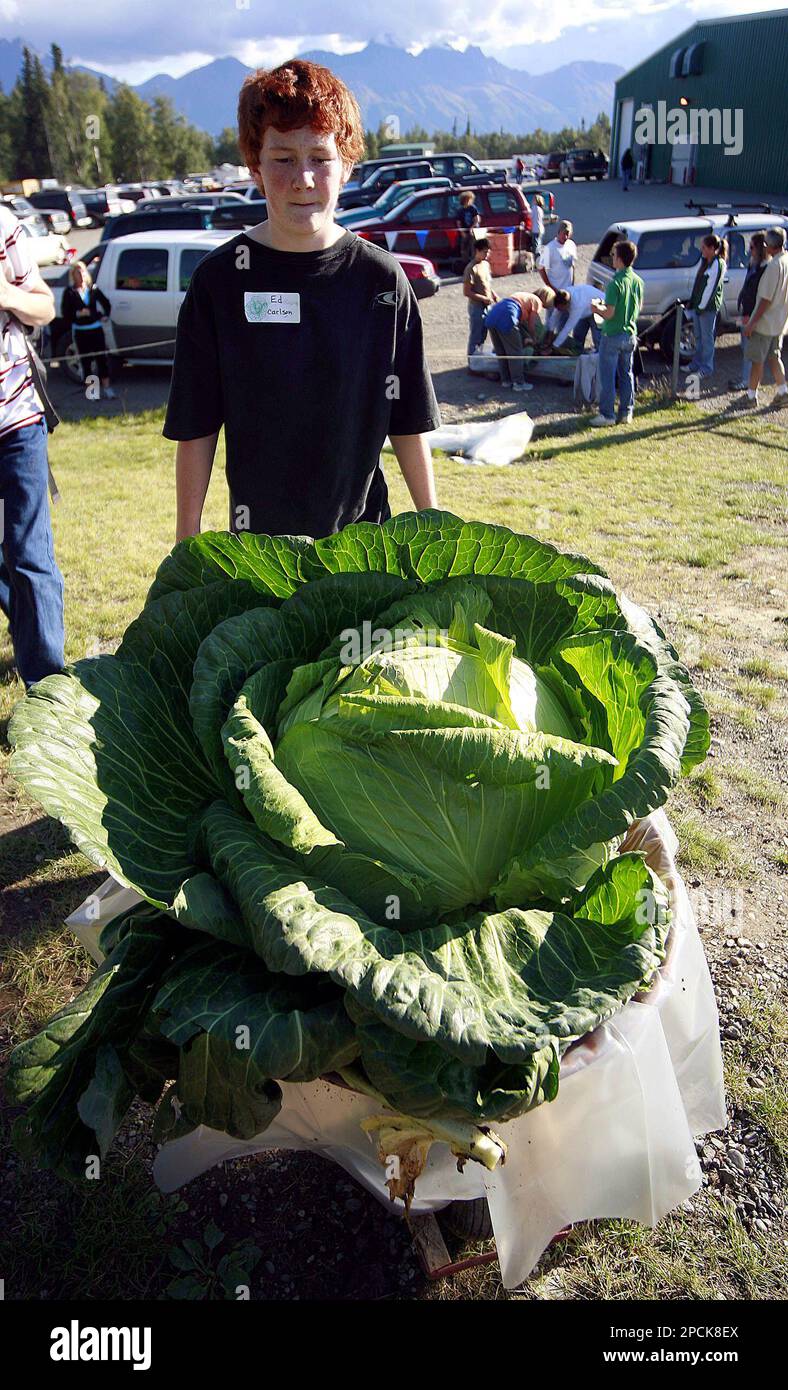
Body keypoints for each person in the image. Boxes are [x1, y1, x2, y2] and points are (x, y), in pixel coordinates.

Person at [163, 58, 441, 542]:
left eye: (320, 157)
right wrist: (187, 541)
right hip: (258, 556)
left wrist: (435, 527)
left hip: (364, 552)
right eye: (283, 158)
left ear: (347, 165)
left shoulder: (381, 280)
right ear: (255, 166)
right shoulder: (220, 283)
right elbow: (197, 424)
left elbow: (410, 418)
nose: (303, 178)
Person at [0, 202, 64, 686]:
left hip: (17, 418)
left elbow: (44, 306)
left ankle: (46, 688)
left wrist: (5, 293)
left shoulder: (3, 225)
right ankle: (28, 629)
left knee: (28, 552)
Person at [589, 238, 643, 427]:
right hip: (630, 333)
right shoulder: (637, 281)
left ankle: (607, 415)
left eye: (613, 255)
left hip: (612, 334)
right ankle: (626, 411)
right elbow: (637, 306)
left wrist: (597, 309)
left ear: (619, 259)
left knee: (607, 376)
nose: (612, 258)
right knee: (626, 374)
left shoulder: (615, 283)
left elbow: (609, 313)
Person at [741, 225, 788, 409]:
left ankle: (751, 396)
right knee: (774, 357)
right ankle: (783, 391)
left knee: (757, 361)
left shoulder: (773, 267)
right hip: (780, 322)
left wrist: (752, 323)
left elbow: (765, 300)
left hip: (765, 323)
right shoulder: (785, 260)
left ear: (769, 245)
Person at [62, 261, 116, 399]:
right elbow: (66, 313)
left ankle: (107, 388)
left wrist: (104, 316)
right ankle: (92, 391)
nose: (80, 274)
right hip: (80, 330)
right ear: (72, 275)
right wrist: (77, 314)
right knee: (86, 361)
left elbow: (106, 304)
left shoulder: (93, 290)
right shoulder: (69, 292)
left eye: (82, 271)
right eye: (77, 272)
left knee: (101, 359)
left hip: (95, 328)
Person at [683, 234, 726, 380]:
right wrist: (693, 303)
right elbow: (699, 285)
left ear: (712, 248)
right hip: (698, 306)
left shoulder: (717, 264)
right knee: (699, 337)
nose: (701, 250)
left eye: (704, 247)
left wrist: (701, 307)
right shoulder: (705, 262)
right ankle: (696, 363)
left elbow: (710, 289)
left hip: (707, 308)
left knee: (707, 339)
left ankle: (706, 368)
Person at [730, 232, 767, 390]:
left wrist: (750, 317)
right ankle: (747, 378)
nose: (748, 250)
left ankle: (748, 381)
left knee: (751, 351)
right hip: (745, 312)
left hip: (752, 315)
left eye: (751, 247)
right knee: (745, 348)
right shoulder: (753, 264)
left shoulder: (764, 268)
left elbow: (760, 295)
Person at [482, 294, 540, 391]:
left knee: (501, 352)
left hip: (492, 317)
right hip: (507, 317)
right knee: (516, 352)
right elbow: (531, 325)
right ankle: (518, 383)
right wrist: (533, 338)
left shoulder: (520, 297)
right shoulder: (536, 302)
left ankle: (506, 380)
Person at [463, 237, 497, 367]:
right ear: (477, 250)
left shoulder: (486, 265)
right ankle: (472, 363)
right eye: (484, 252)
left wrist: (494, 295)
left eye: (488, 252)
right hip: (476, 307)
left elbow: (487, 284)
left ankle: (479, 362)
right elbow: (467, 292)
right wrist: (484, 299)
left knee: (484, 335)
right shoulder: (471, 268)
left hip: (487, 305)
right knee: (476, 336)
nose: (487, 254)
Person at [539, 221, 576, 338]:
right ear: (558, 232)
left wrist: (572, 285)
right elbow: (541, 268)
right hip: (554, 292)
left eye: (567, 234)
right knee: (551, 322)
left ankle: (561, 343)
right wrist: (550, 287)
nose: (565, 237)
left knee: (565, 321)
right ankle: (546, 342)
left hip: (567, 292)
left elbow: (573, 266)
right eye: (563, 234)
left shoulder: (571, 245)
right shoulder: (549, 248)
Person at [551, 283, 601, 352]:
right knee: (578, 335)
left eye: (561, 308)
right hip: (586, 307)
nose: (560, 311)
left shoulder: (577, 306)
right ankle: (578, 355)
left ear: (567, 304)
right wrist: (549, 332)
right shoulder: (562, 295)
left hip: (599, 310)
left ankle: (600, 358)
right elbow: (555, 315)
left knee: (598, 338)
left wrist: (554, 346)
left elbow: (567, 328)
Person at [456, 190, 481, 266]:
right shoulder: (460, 210)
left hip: (473, 232)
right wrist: (462, 232)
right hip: (464, 232)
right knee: (464, 249)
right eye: (468, 199)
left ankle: (475, 264)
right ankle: (465, 265)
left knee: (474, 248)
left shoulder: (473, 208)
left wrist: (472, 228)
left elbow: (477, 219)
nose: (469, 201)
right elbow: (458, 222)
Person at [529, 193, 545, 266]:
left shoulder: (534, 208)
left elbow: (530, 216)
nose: (532, 201)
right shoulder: (540, 209)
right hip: (540, 229)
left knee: (535, 248)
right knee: (539, 245)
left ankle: (538, 263)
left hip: (535, 229)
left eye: (534, 199)